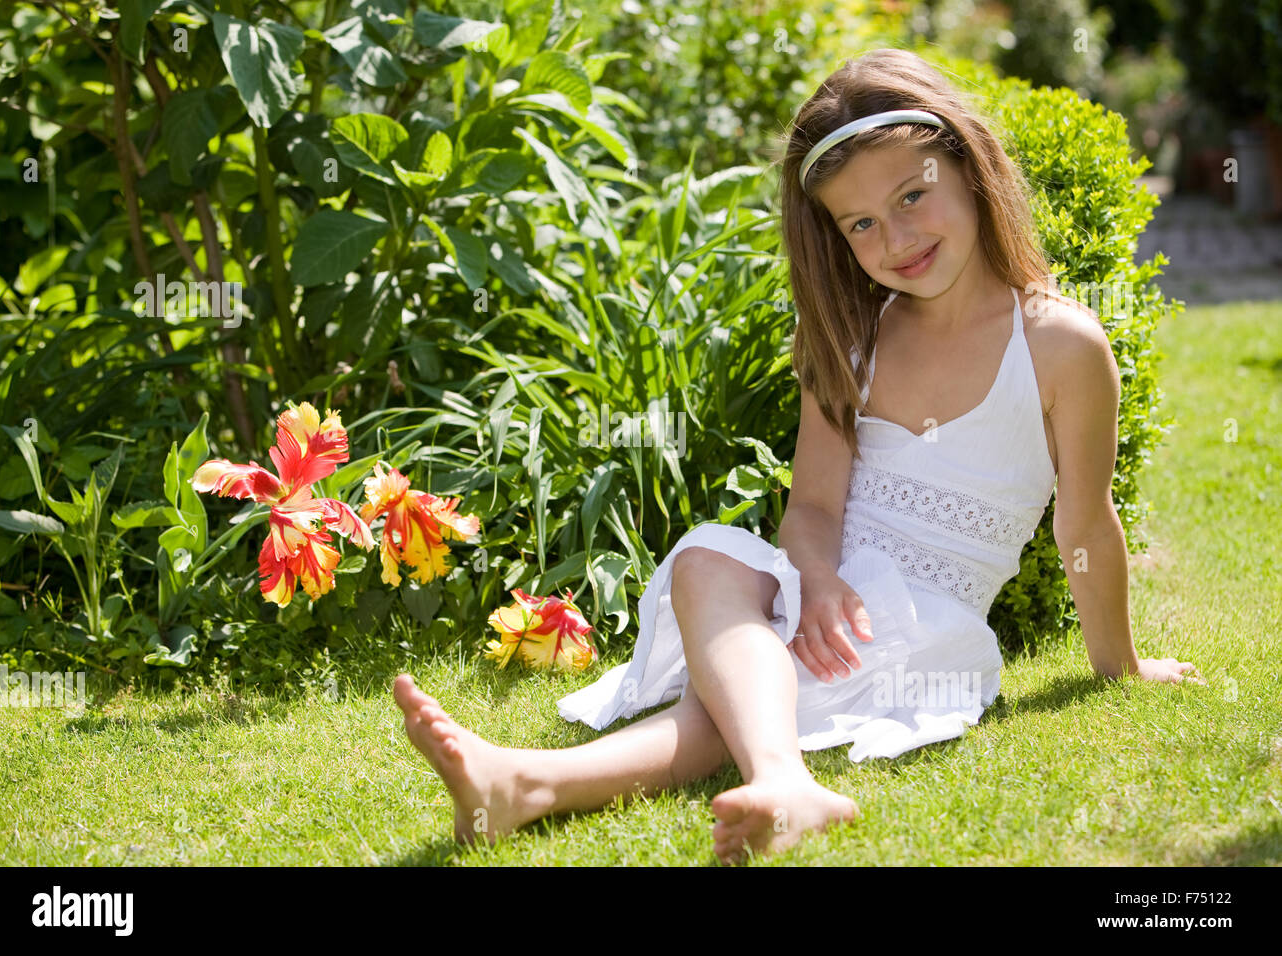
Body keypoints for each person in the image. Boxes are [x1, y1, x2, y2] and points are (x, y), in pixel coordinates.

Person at [392, 48, 1203, 865]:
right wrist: (816, 581)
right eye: (861, 224)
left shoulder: (1059, 344)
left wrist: (1120, 665)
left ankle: (536, 784)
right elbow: (812, 508)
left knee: (742, 699)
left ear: (968, 167)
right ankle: (740, 779)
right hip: (821, 590)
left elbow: (1084, 520)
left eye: (913, 195)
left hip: (927, 618)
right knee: (707, 559)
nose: (897, 238)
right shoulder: (857, 340)